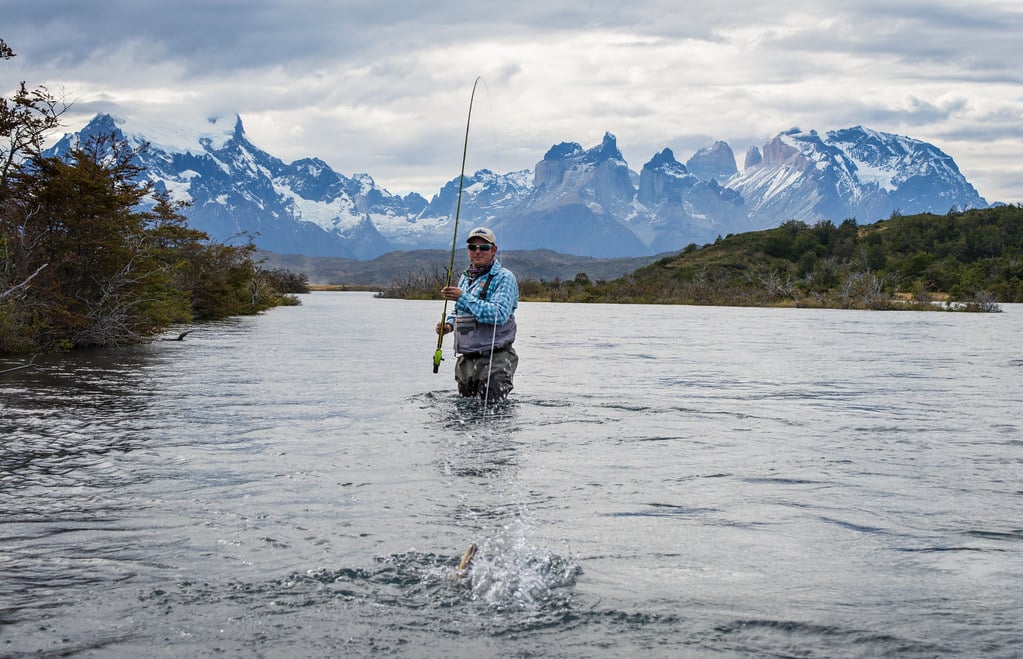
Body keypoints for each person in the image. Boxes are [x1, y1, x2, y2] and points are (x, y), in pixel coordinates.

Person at [435, 227, 519, 400]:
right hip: (467, 360)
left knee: (494, 416)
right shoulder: (465, 278)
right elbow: (459, 310)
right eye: (472, 247)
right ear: (468, 251)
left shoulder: (505, 278)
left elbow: (499, 314)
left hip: (495, 360)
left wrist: (462, 297)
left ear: (493, 250)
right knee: (465, 416)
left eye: (484, 247)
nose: (478, 251)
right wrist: (449, 325)